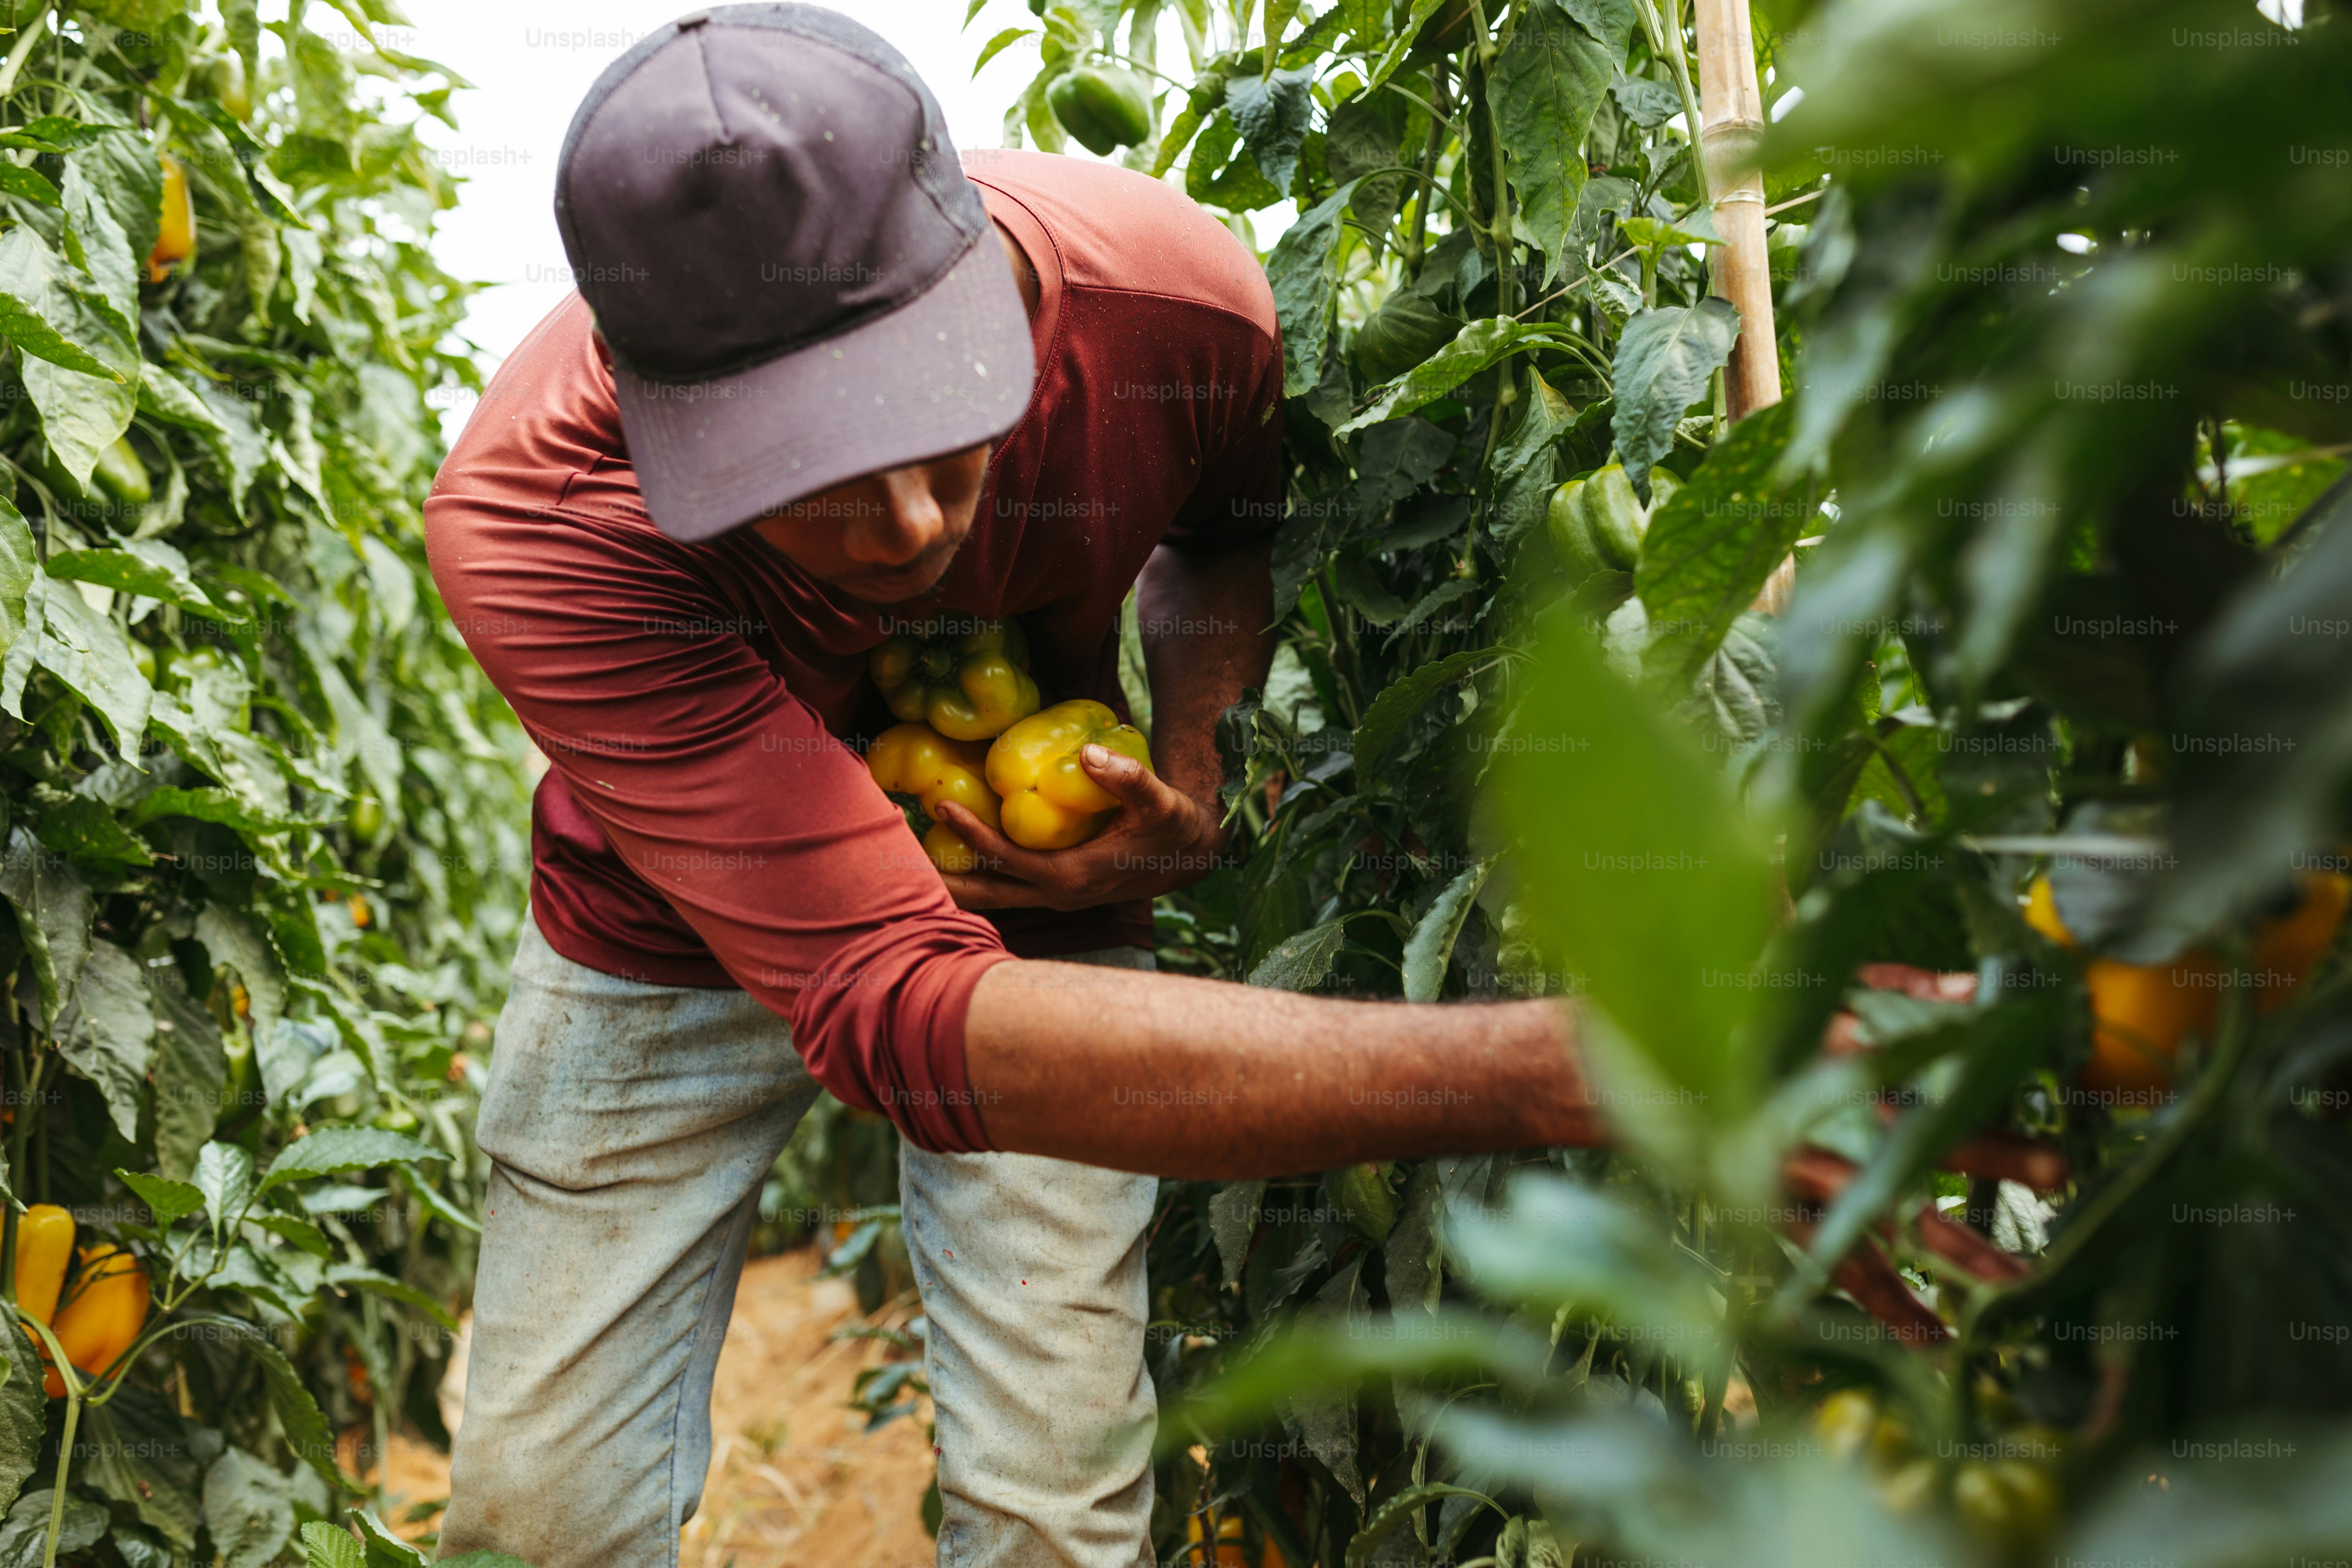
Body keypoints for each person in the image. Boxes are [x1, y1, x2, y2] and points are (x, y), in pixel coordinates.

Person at [423, 7, 1597, 1565]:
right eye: (811, 476)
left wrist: (1188, 755)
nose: (909, 524)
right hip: (665, 929)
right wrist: (1552, 1071)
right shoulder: (544, 512)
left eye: (937, 415)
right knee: (538, 1513)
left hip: (1050, 904)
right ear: (663, 430)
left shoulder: (1174, 306)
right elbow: (891, 998)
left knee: (1054, 1499)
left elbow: (1220, 532)